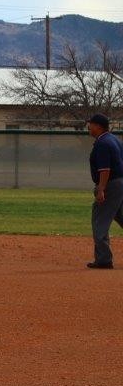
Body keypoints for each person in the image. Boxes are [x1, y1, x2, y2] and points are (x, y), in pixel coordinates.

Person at [85, 113, 123, 269]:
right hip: (120, 183)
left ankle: (104, 259)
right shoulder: (114, 139)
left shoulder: (103, 143)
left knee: (99, 220)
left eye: (91, 124)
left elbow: (105, 169)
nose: (88, 126)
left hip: (111, 184)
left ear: (98, 126)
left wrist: (101, 188)